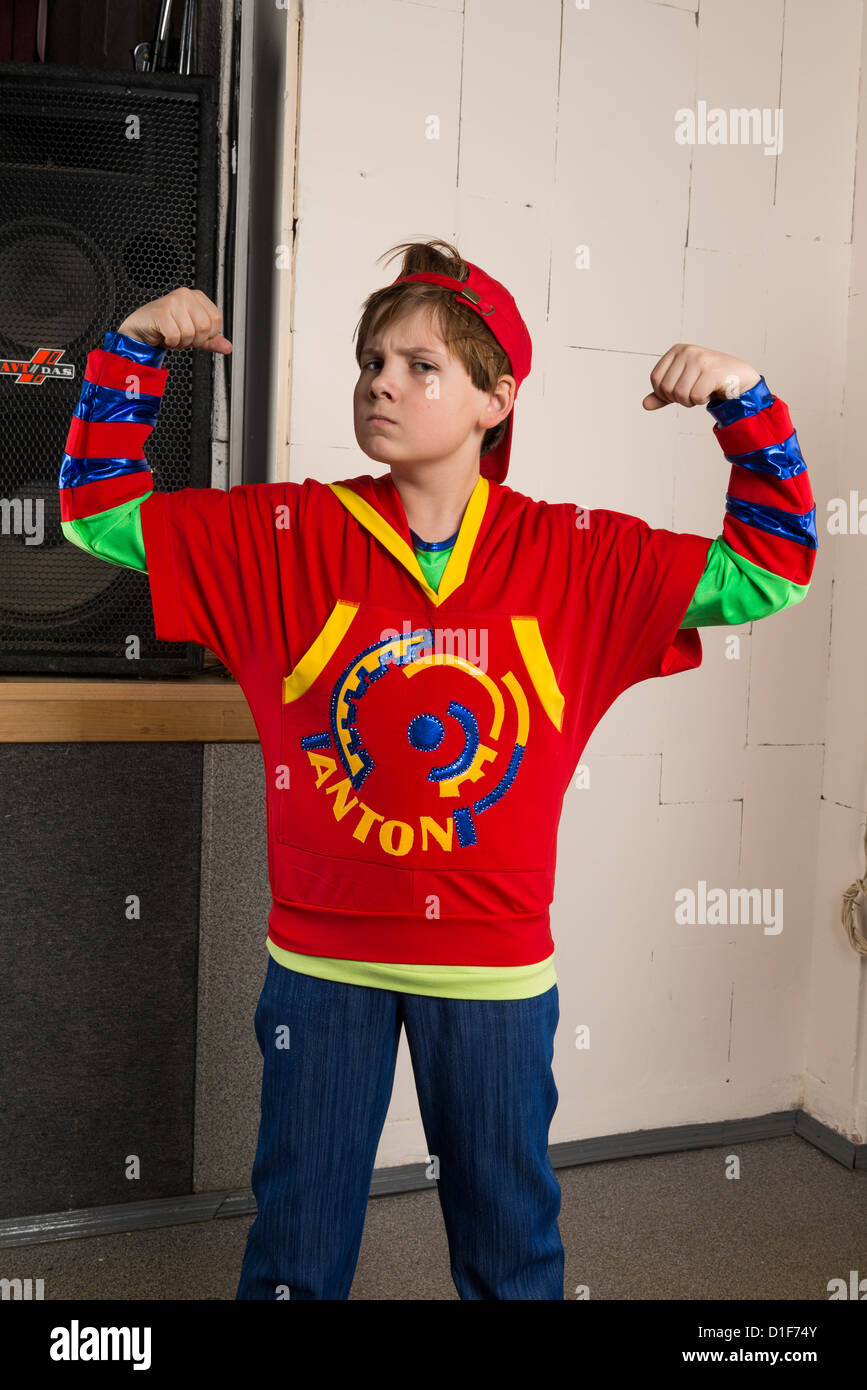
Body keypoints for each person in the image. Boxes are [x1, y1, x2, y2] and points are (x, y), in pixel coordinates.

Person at [58, 238, 817, 1300]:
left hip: (495, 969)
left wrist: (747, 403)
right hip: (322, 966)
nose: (383, 381)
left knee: (511, 1247)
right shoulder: (287, 531)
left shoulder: (577, 554)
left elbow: (773, 569)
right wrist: (132, 355)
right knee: (294, 1252)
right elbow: (97, 516)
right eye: (373, 359)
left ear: (495, 400)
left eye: (421, 365)